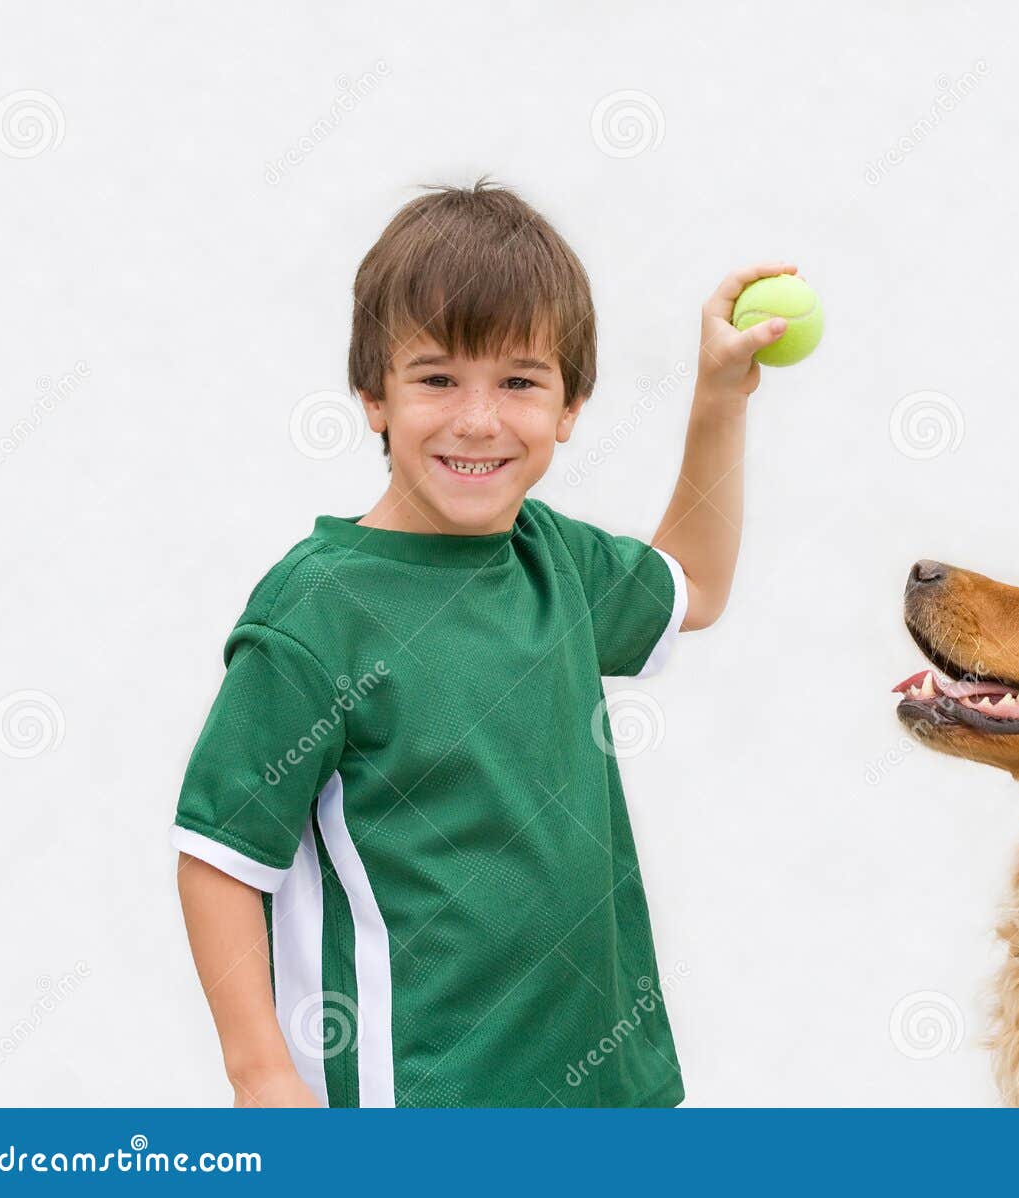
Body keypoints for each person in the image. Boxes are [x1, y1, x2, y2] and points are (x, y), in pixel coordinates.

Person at [171, 180, 796, 1107]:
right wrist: (261, 1072)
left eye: (519, 381)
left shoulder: (553, 558)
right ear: (372, 395)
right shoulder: (314, 611)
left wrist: (719, 398)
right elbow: (220, 857)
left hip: (608, 1087)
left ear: (570, 406)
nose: (477, 419)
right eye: (436, 378)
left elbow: (693, 587)